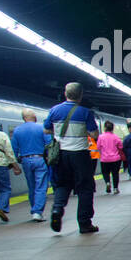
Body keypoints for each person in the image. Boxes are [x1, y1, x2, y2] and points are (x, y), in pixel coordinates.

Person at [43, 83, 100, 233]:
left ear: (65, 93)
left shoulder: (54, 110)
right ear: (81, 95)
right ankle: (84, 223)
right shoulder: (85, 112)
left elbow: (46, 129)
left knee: (62, 185)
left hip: (60, 155)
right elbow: (94, 134)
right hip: (80, 154)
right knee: (85, 188)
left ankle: (57, 210)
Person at [11, 108, 49, 221]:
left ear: (23, 118)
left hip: (25, 161)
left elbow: (13, 149)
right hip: (40, 159)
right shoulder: (41, 128)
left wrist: (15, 165)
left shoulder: (17, 131)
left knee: (31, 186)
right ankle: (37, 212)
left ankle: (34, 209)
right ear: (34, 117)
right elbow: (49, 144)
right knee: (41, 186)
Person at [96, 121, 123, 194]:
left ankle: (107, 183)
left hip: (104, 159)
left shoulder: (101, 137)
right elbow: (120, 146)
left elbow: (98, 147)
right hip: (115, 159)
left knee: (105, 173)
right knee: (115, 174)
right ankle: (115, 188)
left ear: (105, 128)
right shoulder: (116, 137)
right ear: (112, 128)